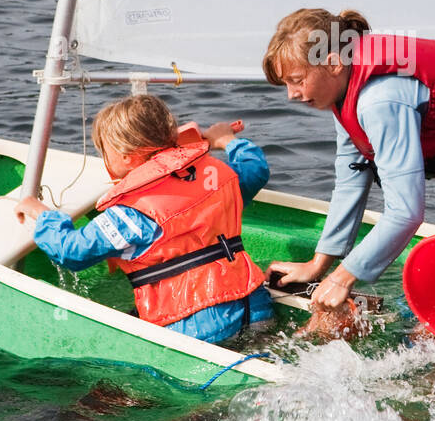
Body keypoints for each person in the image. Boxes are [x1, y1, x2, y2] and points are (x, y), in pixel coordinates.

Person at [262, 7, 435, 310]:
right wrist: (319, 265)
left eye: (296, 80)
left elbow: (407, 213)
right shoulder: (344, 93)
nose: (291, 94)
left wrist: (344, 277)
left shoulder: (379, 101)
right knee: (434, 273)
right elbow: (350, 182)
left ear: (332, 64)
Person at [14, 95, 274, 344]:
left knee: (111, 391)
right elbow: (255, 168)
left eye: (103, 150)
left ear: (125, 156)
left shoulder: (131, 212)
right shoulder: (219, 175)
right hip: (255, 306)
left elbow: (72, 251)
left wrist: (44, 216)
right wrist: (227, 140)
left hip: (194, 327)